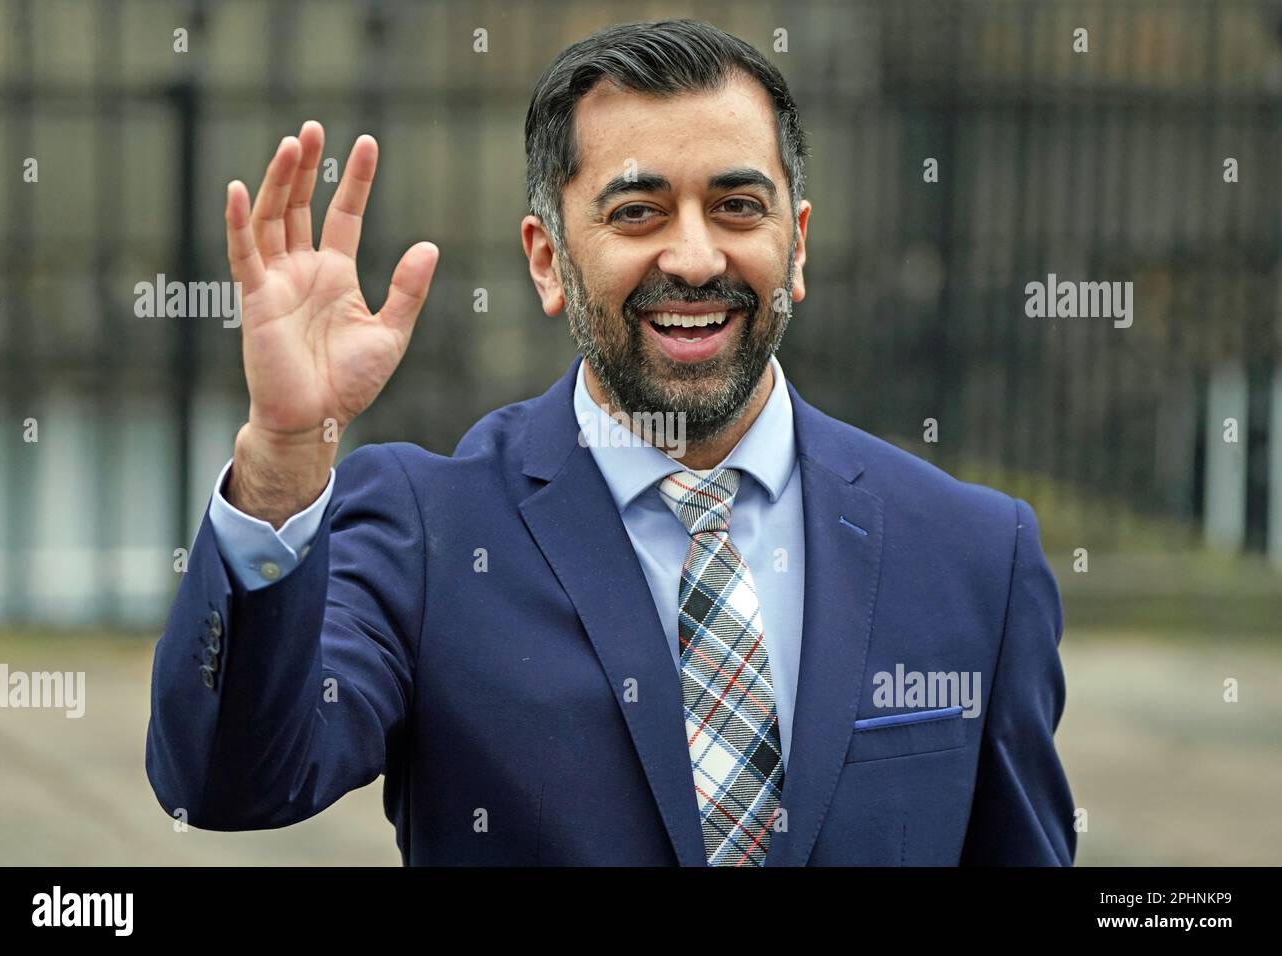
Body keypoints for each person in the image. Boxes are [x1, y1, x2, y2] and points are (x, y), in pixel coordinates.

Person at [146, 18, 1076, 866]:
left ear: (797, 245)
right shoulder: (428, 533)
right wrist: (285, 451)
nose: (695, 258)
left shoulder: (974, 556)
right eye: (637, 212)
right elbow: (233, 785)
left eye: (737, 207)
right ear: (548, 259)